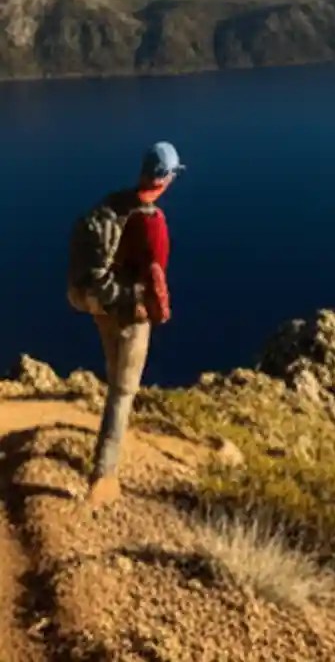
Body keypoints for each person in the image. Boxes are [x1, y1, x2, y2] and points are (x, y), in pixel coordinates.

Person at [82, 141, 180, 507]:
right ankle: (103, 475)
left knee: (114, 373)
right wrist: (159, 313)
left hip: (101, 304)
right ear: (166, 178)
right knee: (123, 392)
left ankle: (109, 439)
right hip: (129, 313)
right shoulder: (151, 223)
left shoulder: (116, 204)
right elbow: (156, 279)